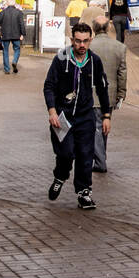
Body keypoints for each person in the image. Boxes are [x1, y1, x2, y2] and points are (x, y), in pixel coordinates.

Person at [43, 22, 111, 210]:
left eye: (85, 41)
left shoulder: (94, 61)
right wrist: (52, 111)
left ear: (90, 40)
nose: (81, 45)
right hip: (63, 117)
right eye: (78, 41)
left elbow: (103, 88)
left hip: (85, 116)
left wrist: (106, 115)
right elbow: (49, 86)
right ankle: (60, 176)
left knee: (85, 154)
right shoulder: (61, 59)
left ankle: (84, 193)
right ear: (72, 40)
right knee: (65, 153)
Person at [88, 16, 126, 172]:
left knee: (96, 127)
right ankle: (100, 156)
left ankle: (99, 161)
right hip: (109, 94)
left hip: (91, 93)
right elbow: (122, 72)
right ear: (108, 28)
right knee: (104, 125)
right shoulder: (119, 47)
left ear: (94, 28)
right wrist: (121, 93)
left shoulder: (88, 46)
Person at [0, 1, 26, 74]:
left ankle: (7, 69)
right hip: (16, 35)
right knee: (17, 49)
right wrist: (22, 34)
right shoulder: (19, 12)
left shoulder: (3, 12)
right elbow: (22, 24)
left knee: (5, 51)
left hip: (5, 35)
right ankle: (14, 61)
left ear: (7, 4)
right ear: (15, 4)